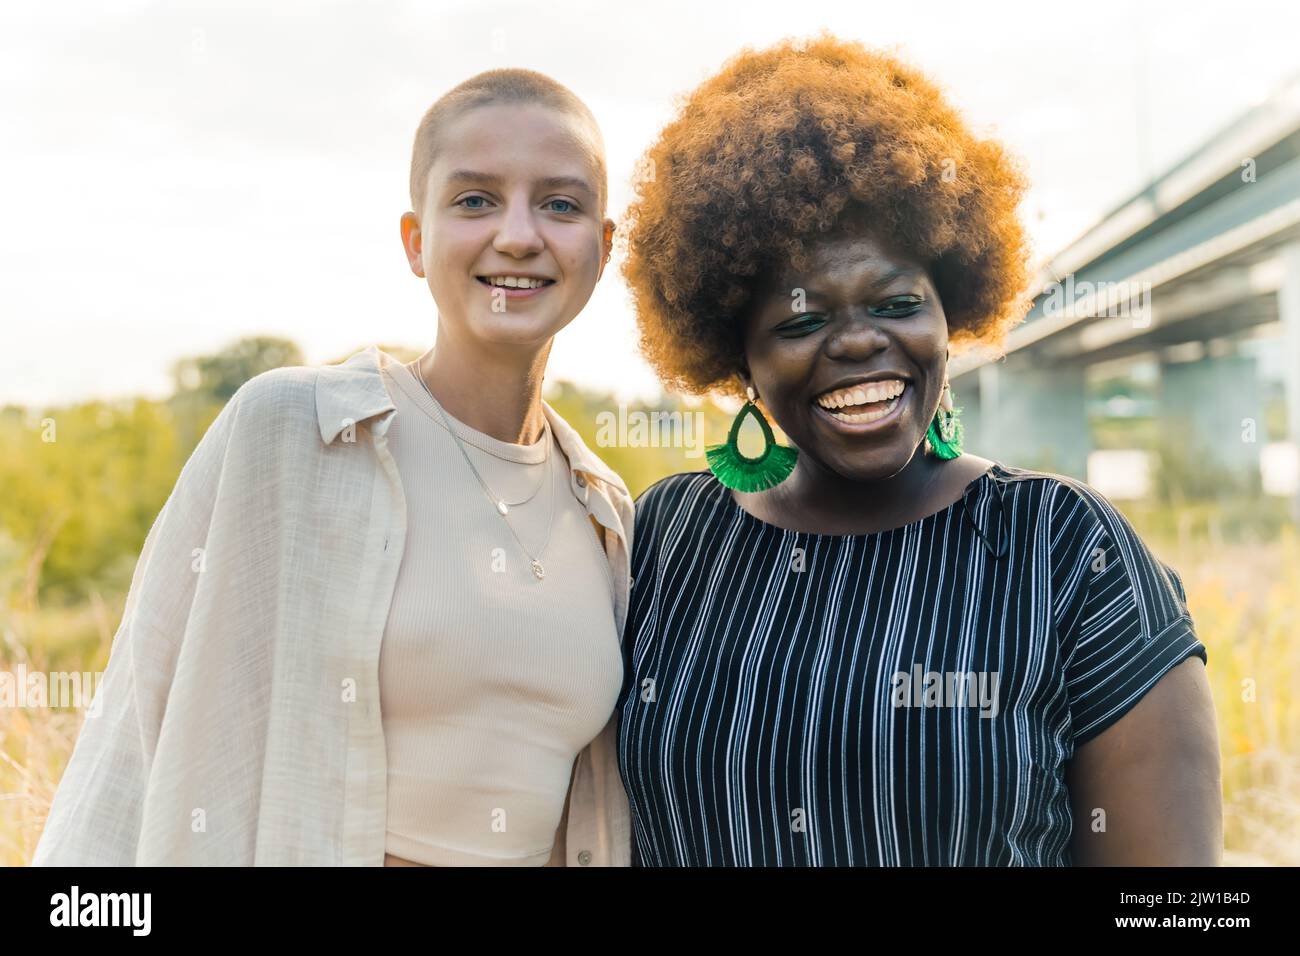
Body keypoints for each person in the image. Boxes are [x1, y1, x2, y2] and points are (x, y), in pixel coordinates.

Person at [614, 35, 1220, 866]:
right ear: (737, 358)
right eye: (800, 321)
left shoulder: (1066, 551)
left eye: (896, 301)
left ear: (951, 309)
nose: (860, 343)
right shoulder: (666, 539)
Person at [32, 69, 634, 866]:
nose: (519, 235)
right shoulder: (298, 431)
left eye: (559, 204)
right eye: (475, 200)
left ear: (604, 245)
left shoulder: (605, 512)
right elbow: (138, 726)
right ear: (416, 242)